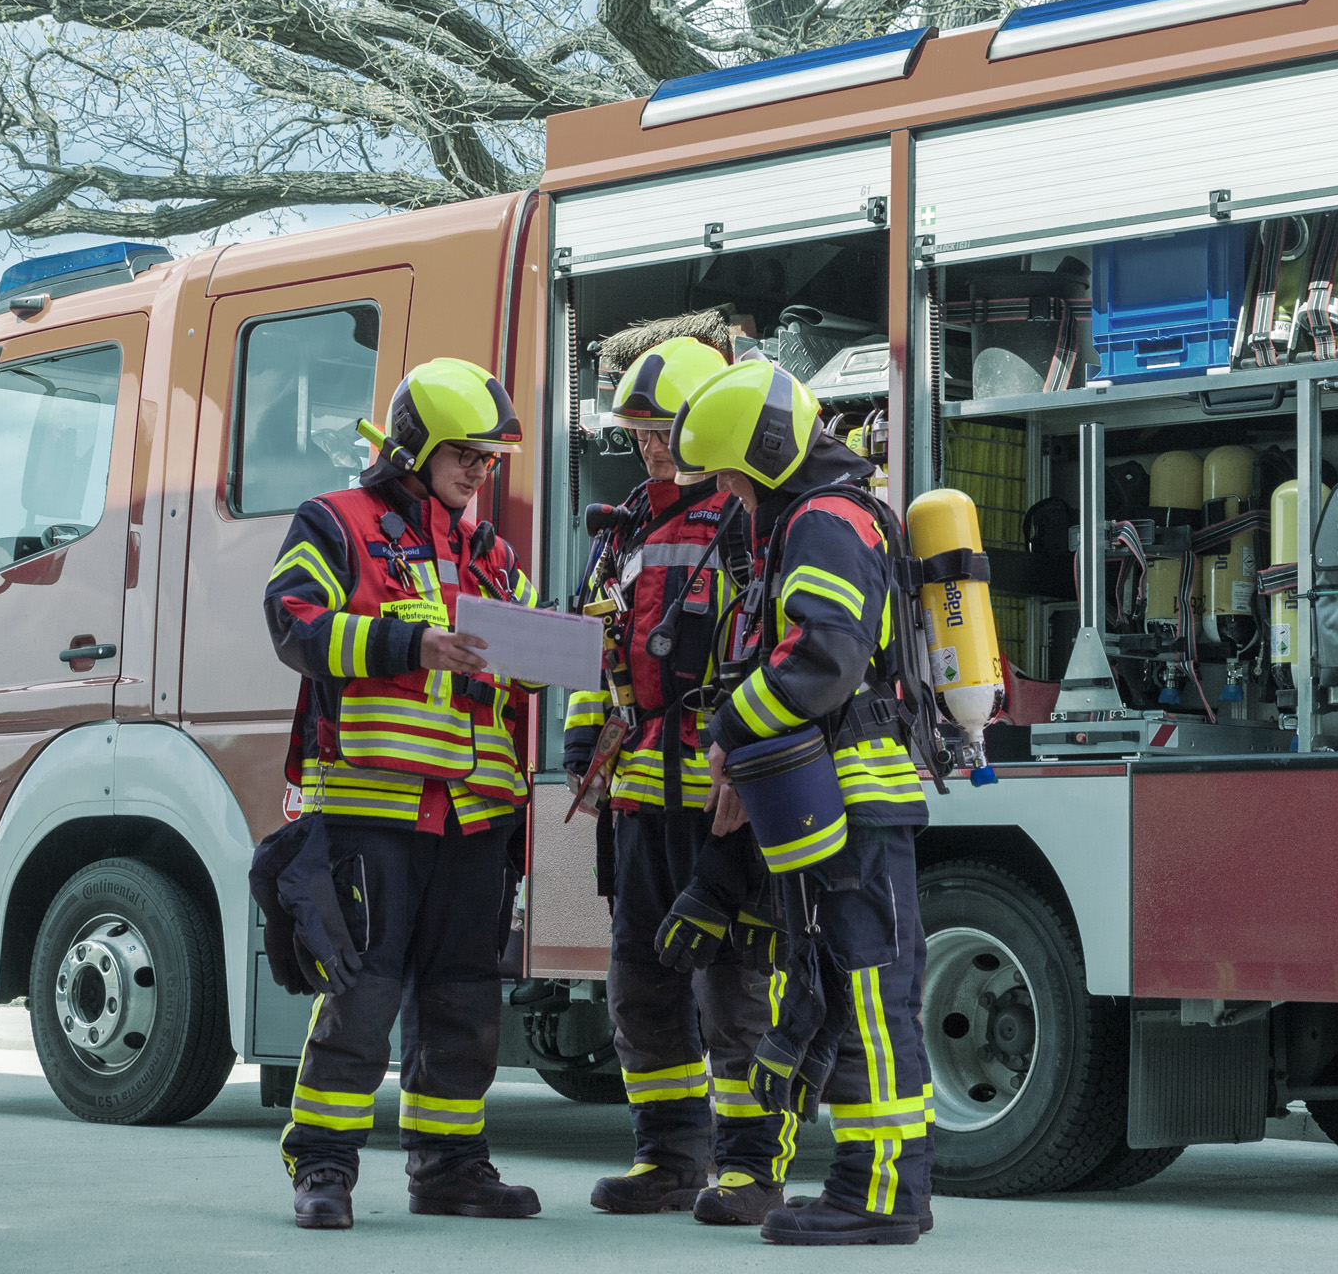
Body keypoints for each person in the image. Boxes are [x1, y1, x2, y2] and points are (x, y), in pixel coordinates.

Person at [262, 357, 544, 1231]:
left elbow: (528, 652)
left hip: (477, 816)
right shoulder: (335, 522)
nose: (479, 474)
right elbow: (293, 622)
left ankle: (452, 1170)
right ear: (416, 447)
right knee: (363, 991)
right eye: (467, 455)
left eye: (489, 462)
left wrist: (553, 657)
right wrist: (409, 646)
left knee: (463, 999)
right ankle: (324, 1171)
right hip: (373, 808)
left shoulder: (494, 554)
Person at [670, 358, 933, 1248]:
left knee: (866, 992)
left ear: (771, 456)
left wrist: (730, 734)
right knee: (848, 987)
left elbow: (824, 656)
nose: (735, 497)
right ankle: (869, 1185)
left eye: (738, 478)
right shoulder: (832, 512)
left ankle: (882, 1193)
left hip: (849, 799)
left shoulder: (820, 521)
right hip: (841, 798)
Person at [564, 336, 789, 1225]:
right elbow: (599, 658)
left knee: (733, 987)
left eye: (664, 430)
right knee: (640, 984)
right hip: (635, 798)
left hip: (717, 800)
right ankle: (668, 1158)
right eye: (639, 433)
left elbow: (767, 653)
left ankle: (749, 1169)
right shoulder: (626, 530)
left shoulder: (744, 529)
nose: (650, 447)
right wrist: (585, 750)